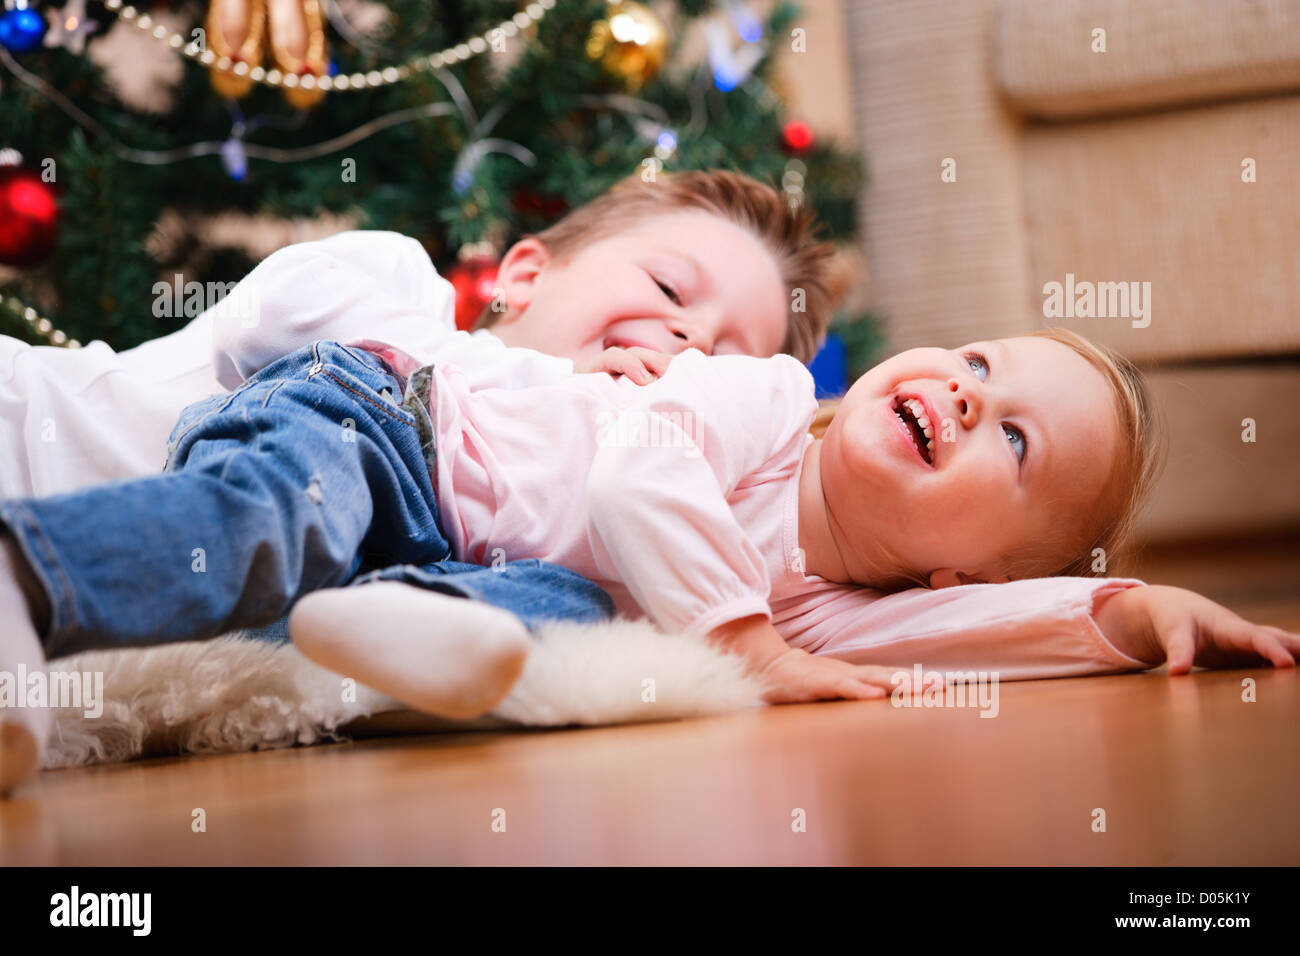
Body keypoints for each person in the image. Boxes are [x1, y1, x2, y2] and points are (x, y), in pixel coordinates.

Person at [3, 320, 1296, 796]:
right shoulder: (765, 403)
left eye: (1010, 441)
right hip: (383, 428)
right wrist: (741, 641)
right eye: (976, 367)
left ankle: (369, 631)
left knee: (565, 613)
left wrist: (1128, 614)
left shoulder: (825, 612)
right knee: (276, 516)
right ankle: (23, 582)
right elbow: (632, 478)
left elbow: (955, 640)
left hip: (440, 554)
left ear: (967, 569)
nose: (961, 399)